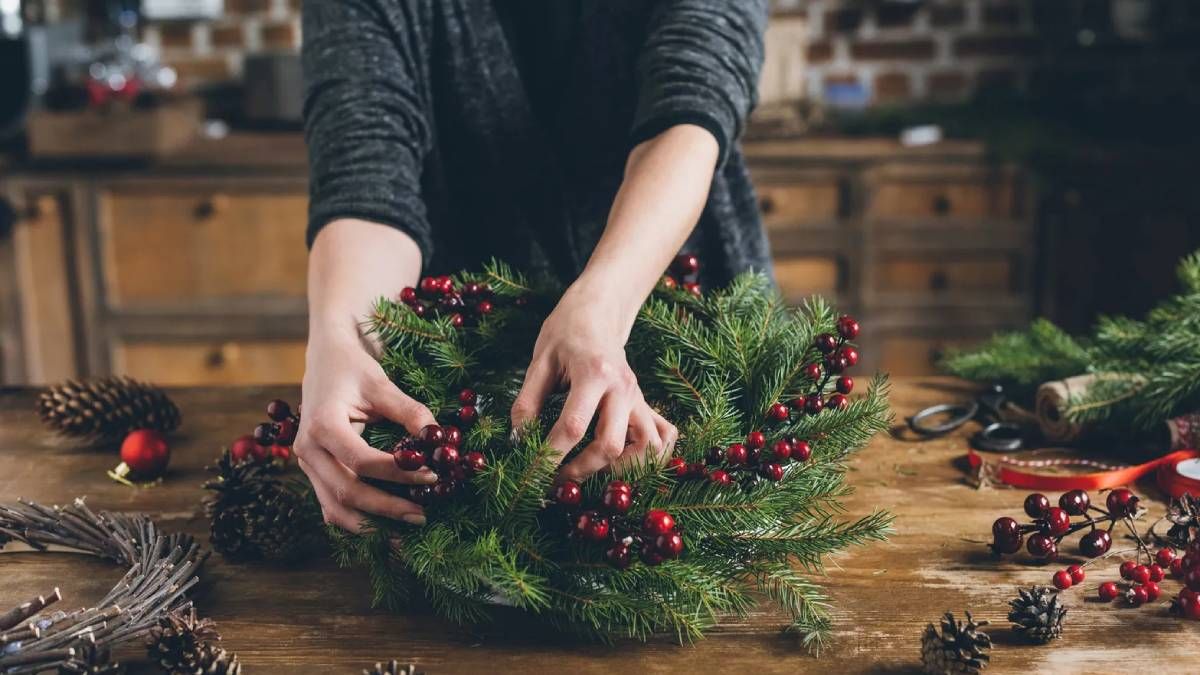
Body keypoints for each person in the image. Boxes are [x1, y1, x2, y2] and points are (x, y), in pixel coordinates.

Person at [296, 0, 773, 532]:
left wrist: (602, 301)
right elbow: (366, 170)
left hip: (685, 304)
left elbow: (694, 98)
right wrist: (343, 336)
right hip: (467, 342)